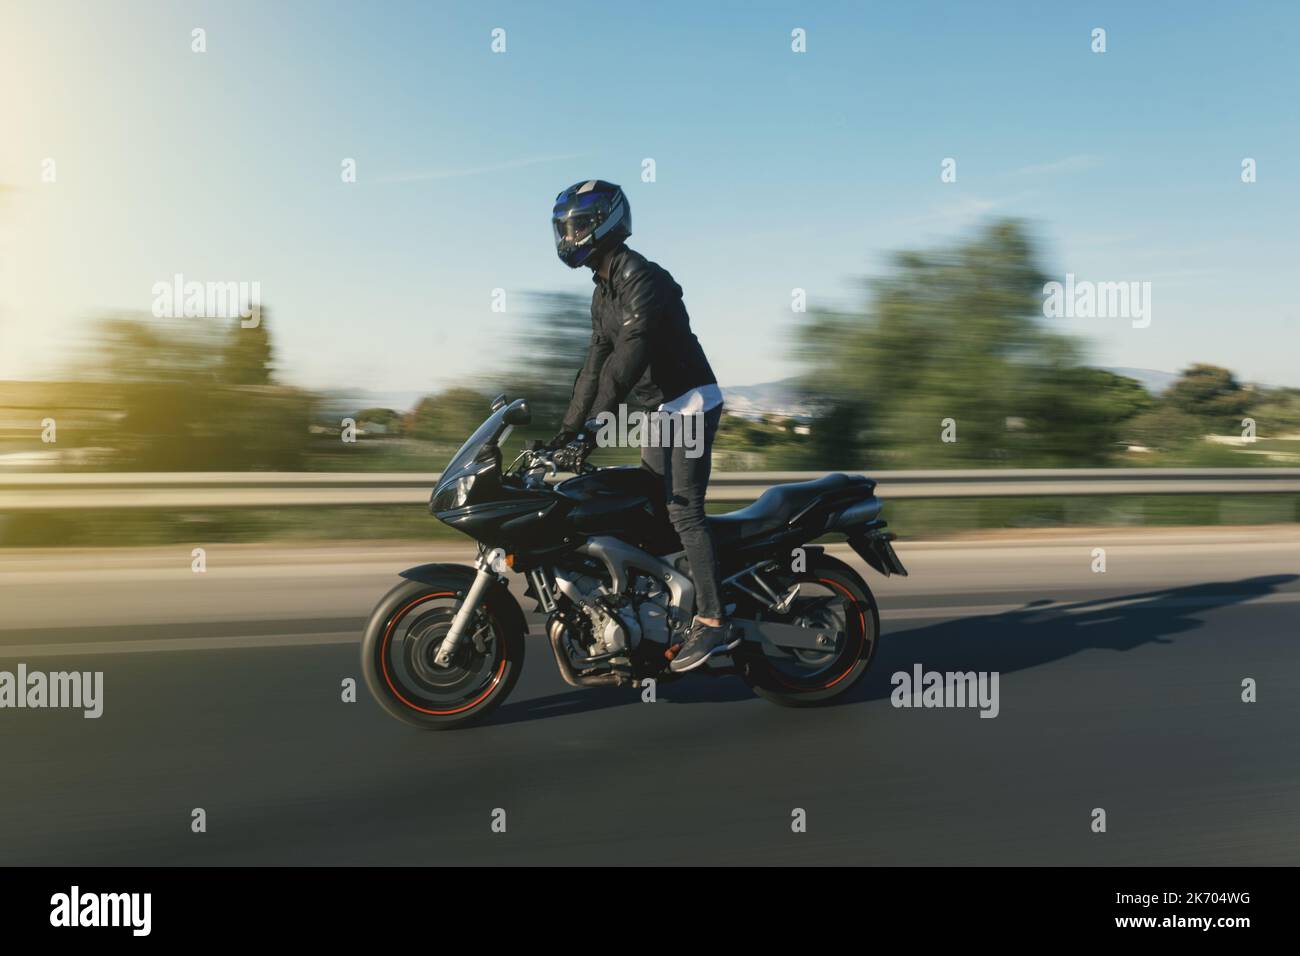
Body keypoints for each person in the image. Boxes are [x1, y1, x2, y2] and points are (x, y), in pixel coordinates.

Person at [548, 179, 737, 672]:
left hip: (691, 401)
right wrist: (567, 432)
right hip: (660, 411)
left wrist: (596, 427)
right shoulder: (602, 293)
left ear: (609, 223)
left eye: (580, 226)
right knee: (651, 501)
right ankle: (671, 599)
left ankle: (715, 622)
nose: (570, 237)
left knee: (683, 510)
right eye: (565, 229)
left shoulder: (643, 279)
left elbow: (626, 362)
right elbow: (593, 368)